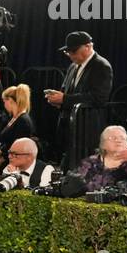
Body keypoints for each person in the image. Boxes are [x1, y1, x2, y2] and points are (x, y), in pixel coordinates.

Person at [46, 31, 112, 165]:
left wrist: (64, 99)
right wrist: (57, 99)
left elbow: (99, 98)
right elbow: (67, 91)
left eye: (73, 51)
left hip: (86, 129)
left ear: (88, 46)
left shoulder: (101, 66)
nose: (70, 55)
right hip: (68, 128)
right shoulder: (72, 66)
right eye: (68, 52)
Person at [75, 125, 127, 192]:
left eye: (122, 138)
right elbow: (75, 185)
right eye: (113, 138)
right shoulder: (89, 163)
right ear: (103, 144)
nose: (118, 141)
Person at [0, 84, 35, 161]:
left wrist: (1, 159)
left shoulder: (23, 121)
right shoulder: (13, 118)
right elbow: (9, 142)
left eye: (4, 101)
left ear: (10, 100)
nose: (4, 105)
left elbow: (18, 148)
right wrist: (0, 151)